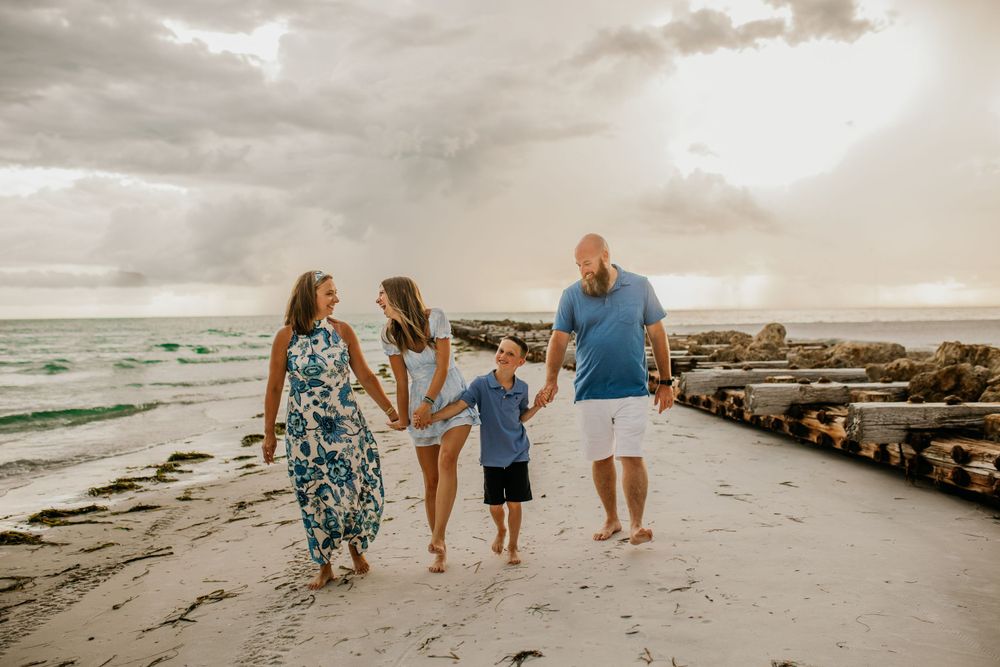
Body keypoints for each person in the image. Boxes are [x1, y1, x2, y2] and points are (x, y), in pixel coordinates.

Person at [537, 234, 674, 545]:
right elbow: (558, 339)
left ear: (605, 256)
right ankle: (612, 518)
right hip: (590, 391)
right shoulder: (571, 295)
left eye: (587, 263)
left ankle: (636, 524)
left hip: (632, 391)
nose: (583, 271)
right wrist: (550, 379)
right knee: (600, 457)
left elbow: (657, 333)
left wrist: (666, 382)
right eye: (578, 265)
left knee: (631, 455)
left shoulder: (640, 286)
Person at [262, 270, 396, 590]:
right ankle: (324, 565)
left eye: (336, 293)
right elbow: (275, 387)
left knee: (349, 490)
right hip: (304, 432)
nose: (336, 299)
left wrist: (392, 411)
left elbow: (365, 376)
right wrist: (269, 433)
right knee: (312, 495)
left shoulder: (343, 332)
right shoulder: (286, 337)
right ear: (310, 297)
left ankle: (355, 549)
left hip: (344, 427)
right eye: (329, 293)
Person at [377, 277, 480, 573]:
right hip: (419, 407)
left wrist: (427, 403)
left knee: (448, 459)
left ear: (397, 295)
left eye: (381, 294)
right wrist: (404, 416)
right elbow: (399, 380)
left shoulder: (435, 317)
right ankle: (440, 548)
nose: (378, 301)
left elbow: (444, 365)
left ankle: (437, 536)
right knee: (431, 480)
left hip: (451, 399)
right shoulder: (388, 333)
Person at [428, 335, 544, 565]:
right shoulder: (481, 384)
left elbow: (522, 416)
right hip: (491, 456)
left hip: (518, 453)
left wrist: (538, 406)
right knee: (495, 506)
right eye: (501, 350)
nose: (503, 356)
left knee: (514, 503)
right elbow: (460, 406)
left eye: (510, 354)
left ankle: (513, 546)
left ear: (520, 362)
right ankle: (501, 530)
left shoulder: (522, 388)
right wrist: (431, 417)